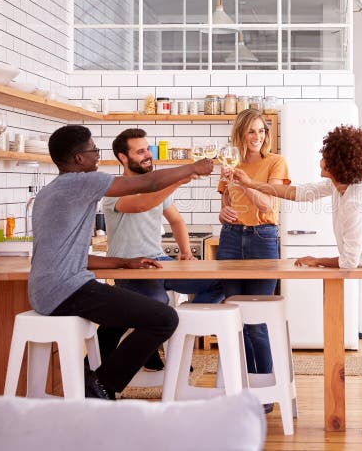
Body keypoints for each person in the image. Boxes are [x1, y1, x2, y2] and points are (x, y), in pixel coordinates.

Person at [227, 125, 362, 432]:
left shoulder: (354, 199)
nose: (321, 157)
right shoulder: (339, 187)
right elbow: (296, 193)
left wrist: (317, 261)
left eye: (325, 154)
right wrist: (252, 183)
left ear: (338, 161)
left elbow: (350, 263)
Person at [29, 125, 213, 400]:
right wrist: (191, 168)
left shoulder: (49, 192)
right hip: (66, 290)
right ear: (78, 159)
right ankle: (101, 384)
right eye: (94, 151)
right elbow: (148, 183)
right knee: (164, 318)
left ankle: (88, 375)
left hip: (47, 290)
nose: (97, 157)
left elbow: (66, 255)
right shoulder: (82, 182)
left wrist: (124, 262)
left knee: (120, 316)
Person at [97, 128, 224, 371]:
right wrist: (176, 180)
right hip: (129, 266)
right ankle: (152, 345)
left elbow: (176, 221)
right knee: (158, 302)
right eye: (141, 151)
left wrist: (186, 251)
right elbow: (142, 205)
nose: (148, 155)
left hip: (160, 261)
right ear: (123, 157)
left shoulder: (157, 189)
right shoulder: (114, 190)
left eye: (148, 150)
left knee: (217, 282)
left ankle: (180, 331)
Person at [216, 109, 290, 410]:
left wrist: (246, 182)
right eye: (251, 131)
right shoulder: (229, 163)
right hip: (231, 238)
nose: (257, 137)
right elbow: (226, 200)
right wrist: (222, 212)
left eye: (261, 131)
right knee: (235, 318)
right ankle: (243, 386)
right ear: (240, 134)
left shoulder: (275, 162)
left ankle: (265, 390)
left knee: (257, 321)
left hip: (262, 239)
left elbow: (268, 202)